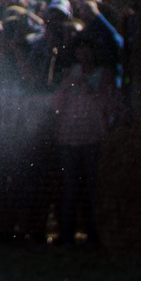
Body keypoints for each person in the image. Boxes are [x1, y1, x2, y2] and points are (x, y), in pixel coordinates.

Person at [50, 40, 109, 248]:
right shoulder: (70, 74)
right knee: (70, 189)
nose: (83, 53)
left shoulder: (103, 74)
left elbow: (104, 103)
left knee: (92, 190)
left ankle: (94, 236)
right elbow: (56, 102)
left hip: (92, 137)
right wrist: (67, 85)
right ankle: (67, 236)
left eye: (88, 48)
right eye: (80, 49)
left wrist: (85, 85)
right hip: (69, 138)